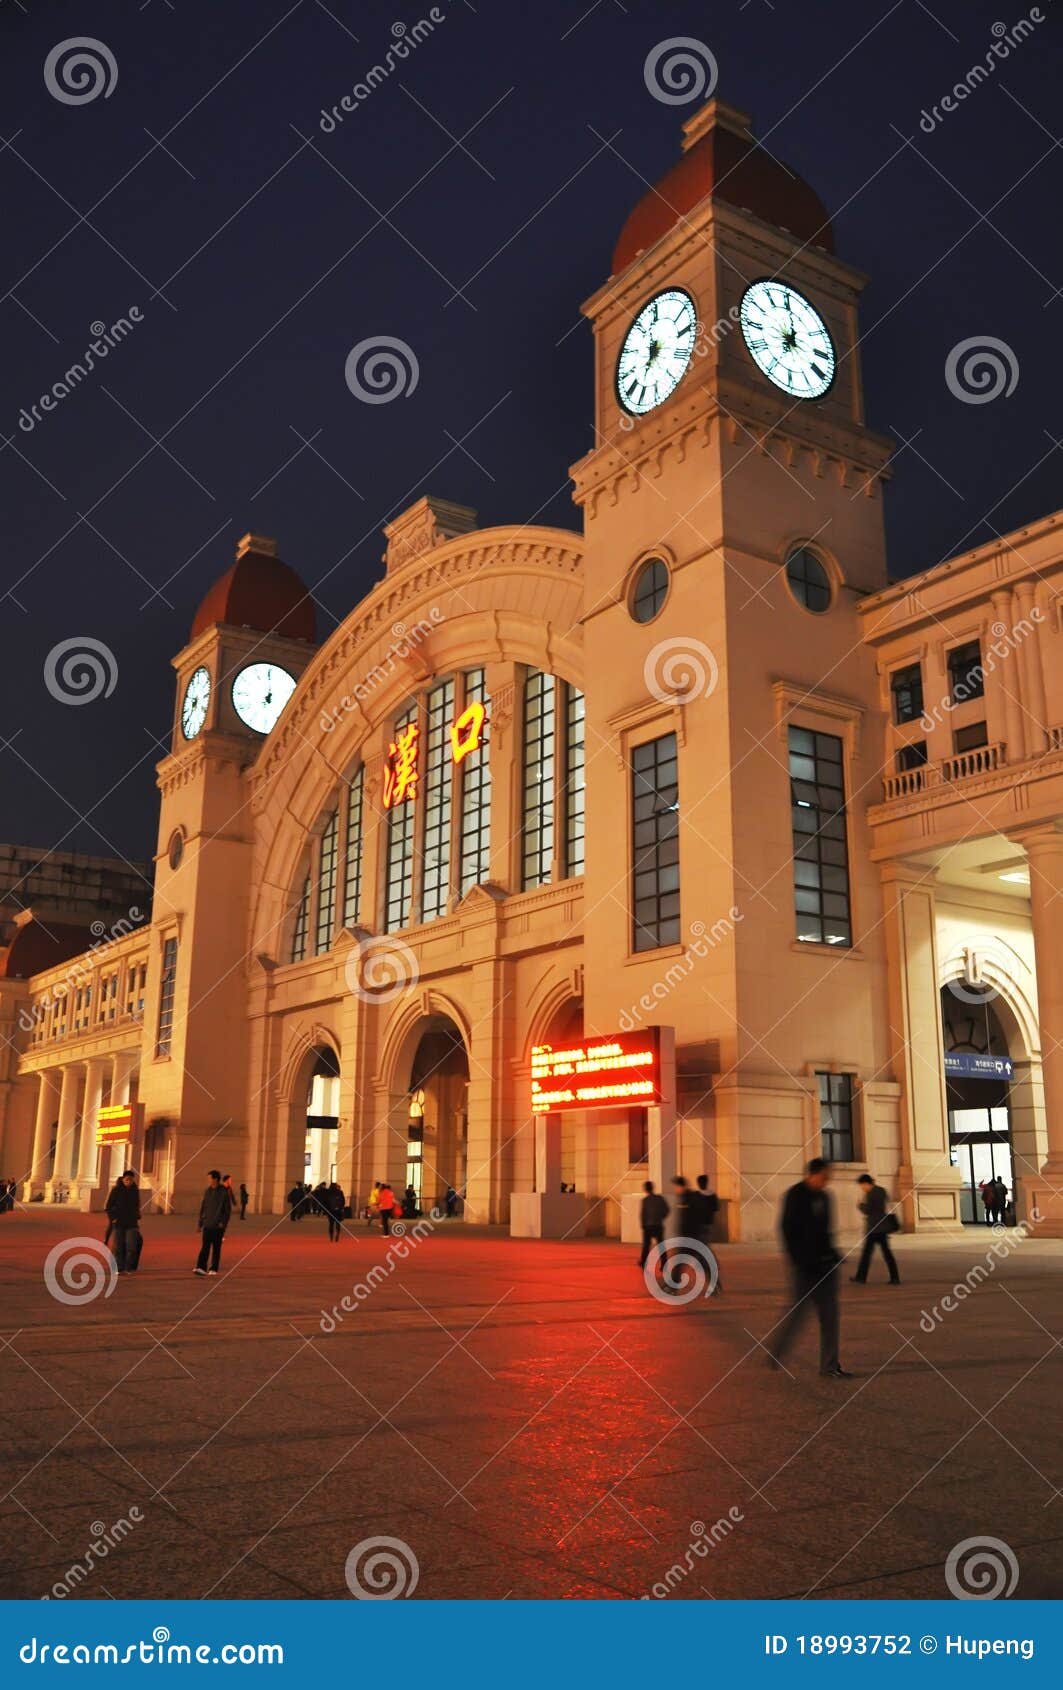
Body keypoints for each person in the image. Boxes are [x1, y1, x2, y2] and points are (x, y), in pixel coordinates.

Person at [765, 1157, 852, 1379]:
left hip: (826, 1266)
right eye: (823, 1177)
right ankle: (776, 1351)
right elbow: (786, 1230)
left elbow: (826, 1231)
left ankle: (830, 1366)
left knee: (830, 1317)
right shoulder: (795, 1195)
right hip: (804, 1268)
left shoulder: (825, 1196)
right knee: (797, 1313)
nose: (826, 1181)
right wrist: (797, 1260)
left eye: (828, 1177)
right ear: (811, 1174)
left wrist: (834, 1254)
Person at [850, 1173, 900, 1285]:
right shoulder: (882, 1190)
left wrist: (860, 1205)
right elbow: (886, 1205)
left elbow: (868, 1210)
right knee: (887, 1254)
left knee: (866, 1254)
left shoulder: (870, 1194)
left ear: (866, 1183)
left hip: (873, 1228)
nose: (862, 1188)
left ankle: (861, 1277)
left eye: (862, 1185)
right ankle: (895, 1277)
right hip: (882, 1227)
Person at [195, 1169, 232, 1276]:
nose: (208, 1180)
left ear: (215, 1179)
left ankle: (213, 1268)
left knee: (216, 1248)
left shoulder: (223, 1192)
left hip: (218, 1226)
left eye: (209, 1178)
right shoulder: (207, 1191)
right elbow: (203, 1208)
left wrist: (223, 1223)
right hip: (207, 1224)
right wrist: (200, 1224)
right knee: (205, 1247)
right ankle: (201, 1267)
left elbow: (227, 1210)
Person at [106, 1170, 142, 1275]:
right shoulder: (116, 1190)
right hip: (119, 1223)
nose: (128, 1181)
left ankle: (128, 1267)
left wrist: (137, 1214)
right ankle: (119, 1267)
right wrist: (113, 1218)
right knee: (119, 1245)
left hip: (132, 1223)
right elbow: (108, 1206)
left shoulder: (135, 1190)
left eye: (130, 1180)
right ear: (123, 1179)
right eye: (126, 1179)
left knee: (131, 1245)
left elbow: (137, 1204)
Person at [694, 1173, 722, 1291]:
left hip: (699, 1226)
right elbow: (716, 1208)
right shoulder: (712, 1195)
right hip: (708, 1224)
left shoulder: (696, 1196)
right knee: (704, 1248)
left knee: (702, 1252)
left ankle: (713, 1275)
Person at [638, 1180, 668, 1269]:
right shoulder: (660, 1198)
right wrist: (661, 1217)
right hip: (658, 1225)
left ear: (645, 1189)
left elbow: (643, 1214)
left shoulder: (645, 1200)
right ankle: (664, 1263)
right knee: (661, 1245)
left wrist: (643, 1224)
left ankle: (643, 1262)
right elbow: (667, 1210)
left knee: (646, 1245)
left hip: (648, 1226)